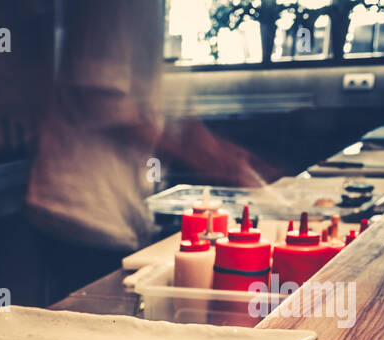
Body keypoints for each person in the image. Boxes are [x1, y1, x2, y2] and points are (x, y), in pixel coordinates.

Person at [26, 0, 275, 303]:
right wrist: (197, 156)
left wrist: (216, 150)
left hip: (119, 211)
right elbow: (101, 99)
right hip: (80, 209)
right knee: (92, 331)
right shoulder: (118, 7)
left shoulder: (159, 10)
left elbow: (166, 106)